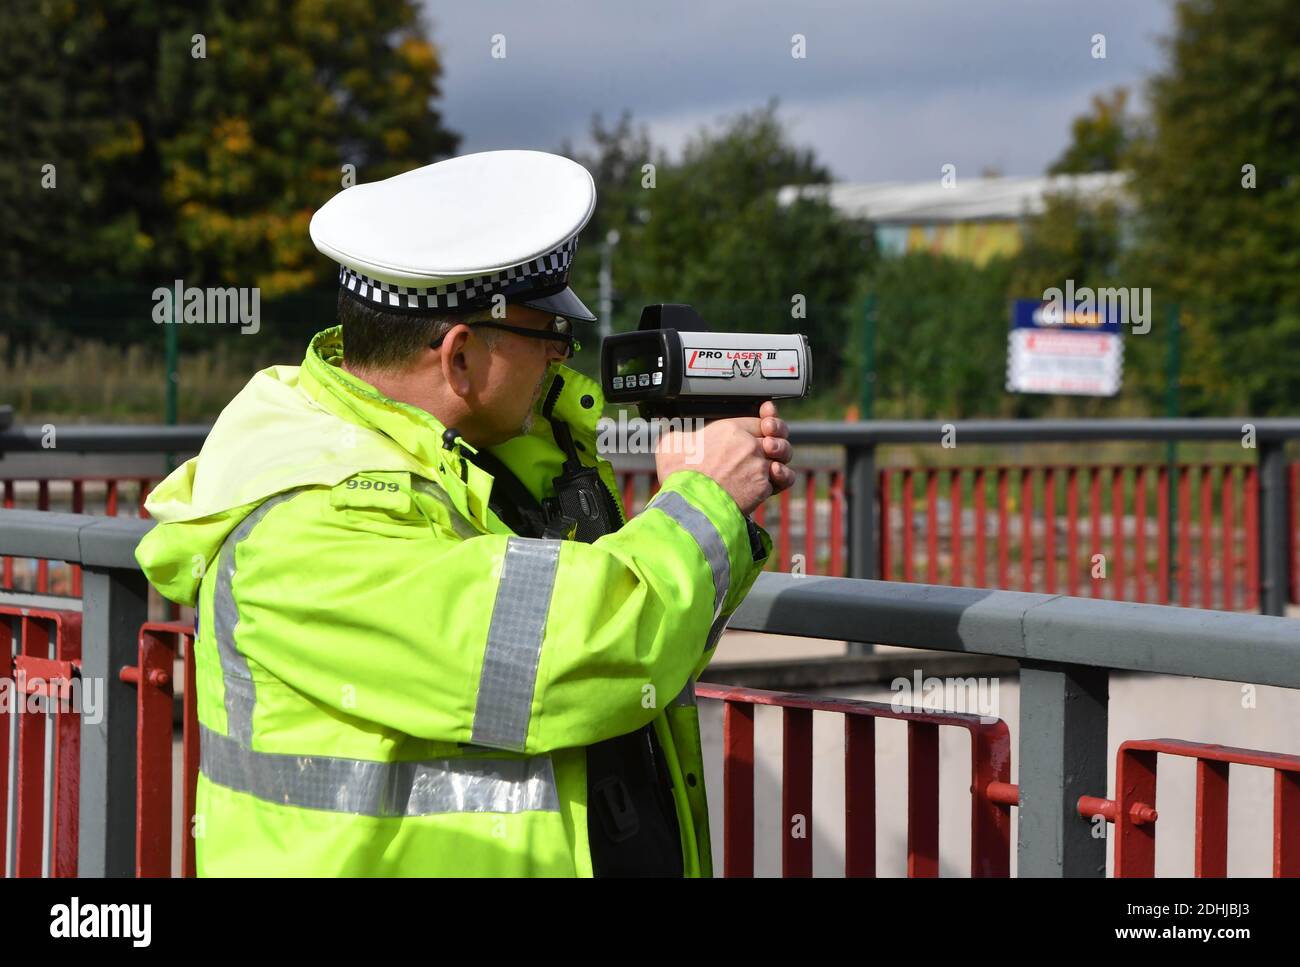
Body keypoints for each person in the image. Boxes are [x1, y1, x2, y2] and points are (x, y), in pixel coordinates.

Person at [135, 149, 795, 876]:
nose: (562, 360)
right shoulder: (310, 522)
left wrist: (722, 511)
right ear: (457, 358)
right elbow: (578, 655)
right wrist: (701, 503)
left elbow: (645, 646)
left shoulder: (477, 457)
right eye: (551, 337)